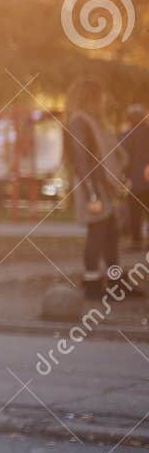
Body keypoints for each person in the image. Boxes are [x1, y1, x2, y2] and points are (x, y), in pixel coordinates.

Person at [64, 78, 124, 295]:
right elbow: (81, 161)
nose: (104, 100)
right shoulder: (79, 122)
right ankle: (92, 284)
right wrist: (92, 195)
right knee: (97, 234)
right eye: (100, 96)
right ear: (91, 97)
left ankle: (115, 282)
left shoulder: (91, 121)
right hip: (91, 186)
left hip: (100, 185)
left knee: (110, 235)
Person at [121, 104, 149, 252]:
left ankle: (136, 241)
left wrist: (123, 176)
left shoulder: (127, 135)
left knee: (135, 213)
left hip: (134, 181)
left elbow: (123, 158)